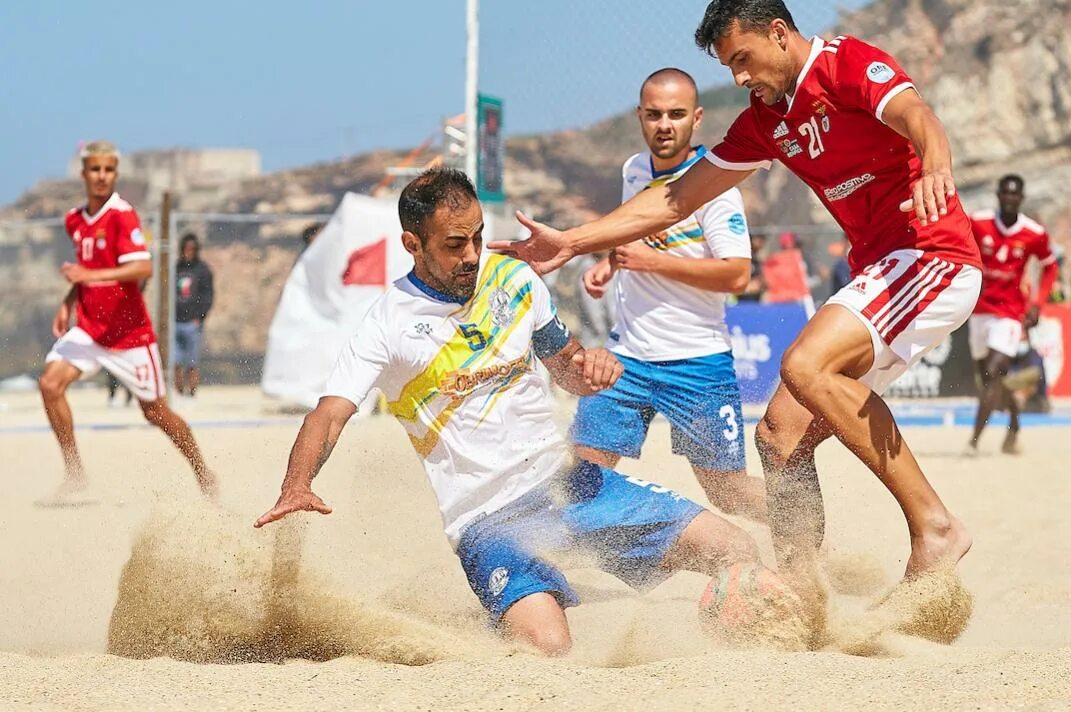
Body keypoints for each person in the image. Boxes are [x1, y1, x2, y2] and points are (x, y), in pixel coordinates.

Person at [491, 0, 983, 584]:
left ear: (779, 32)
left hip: (930, 256)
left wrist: (935, 165)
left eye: (743, 60)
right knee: (779, 438)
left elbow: (916, 113)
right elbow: (675, 199)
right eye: (730, 67)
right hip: (882, 272)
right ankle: (802, 589)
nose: (740, 77)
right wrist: (573, 240)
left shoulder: (846, 64)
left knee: (804, 365)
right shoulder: (765, 121)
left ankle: (933, 526)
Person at [255, 168, 793, 656]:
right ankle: (515, 602)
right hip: (489, 517)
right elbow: (328, 414)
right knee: (550, 646)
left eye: (478, 237)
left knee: (733, 548)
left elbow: (567, 368)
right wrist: (295, 484)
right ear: (412, 244)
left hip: (568, 483)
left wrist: (591, 371)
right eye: (455, 244)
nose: (472, 255)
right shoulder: (387, 324)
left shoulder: (514, 281)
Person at [573, 68, 766, 522]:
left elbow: (737, 275)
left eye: (676, 115)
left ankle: (809, 534)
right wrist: (611, 262)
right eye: (655, 114)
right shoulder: (634, 170)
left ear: (696, 118)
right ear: (640, 116)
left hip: (697, 362)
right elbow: (639, 236)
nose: (665, 125)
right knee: (581, 473)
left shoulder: (715, 190)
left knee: (729, 492)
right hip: (628, 357)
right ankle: (561, 570)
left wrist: (648, 262)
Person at [38, 140, 217, 502]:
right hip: (89, 329)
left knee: (155, 412)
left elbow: (143, 267)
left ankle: (203, 470)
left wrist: (85, 277)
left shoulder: (122, 215)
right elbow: (84, 271)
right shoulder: (74, 219)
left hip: (130, 337)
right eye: (95, 169)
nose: (102, 176)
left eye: (108, 170)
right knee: (49, 384)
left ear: (115, 174)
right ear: (84, 173)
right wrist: (67, 300)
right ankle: (75, 473)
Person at [965, 175, 1058, 455]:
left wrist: (1038, 304)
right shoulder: (978, 223)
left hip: (1010, 313)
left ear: (1021, 198)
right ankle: (1014, 424)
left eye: (1014, 194)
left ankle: (974, 441)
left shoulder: (1034, 233)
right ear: (998, 195)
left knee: (994, 372)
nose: (1009, 198)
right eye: (1005, 193)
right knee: (991, 379)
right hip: (979, 310)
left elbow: (1050, 268)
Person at [174, 232, 215, 397]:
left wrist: (200, 317)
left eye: (192, 249)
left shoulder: (202, 270)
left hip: (193, 322)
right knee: (175, 362)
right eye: (186, 248)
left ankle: (192, 392)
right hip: (175, 321)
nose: (188, 252)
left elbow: (208, 295)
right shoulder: (176, 268)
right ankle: (179, 392)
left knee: (192, 361)